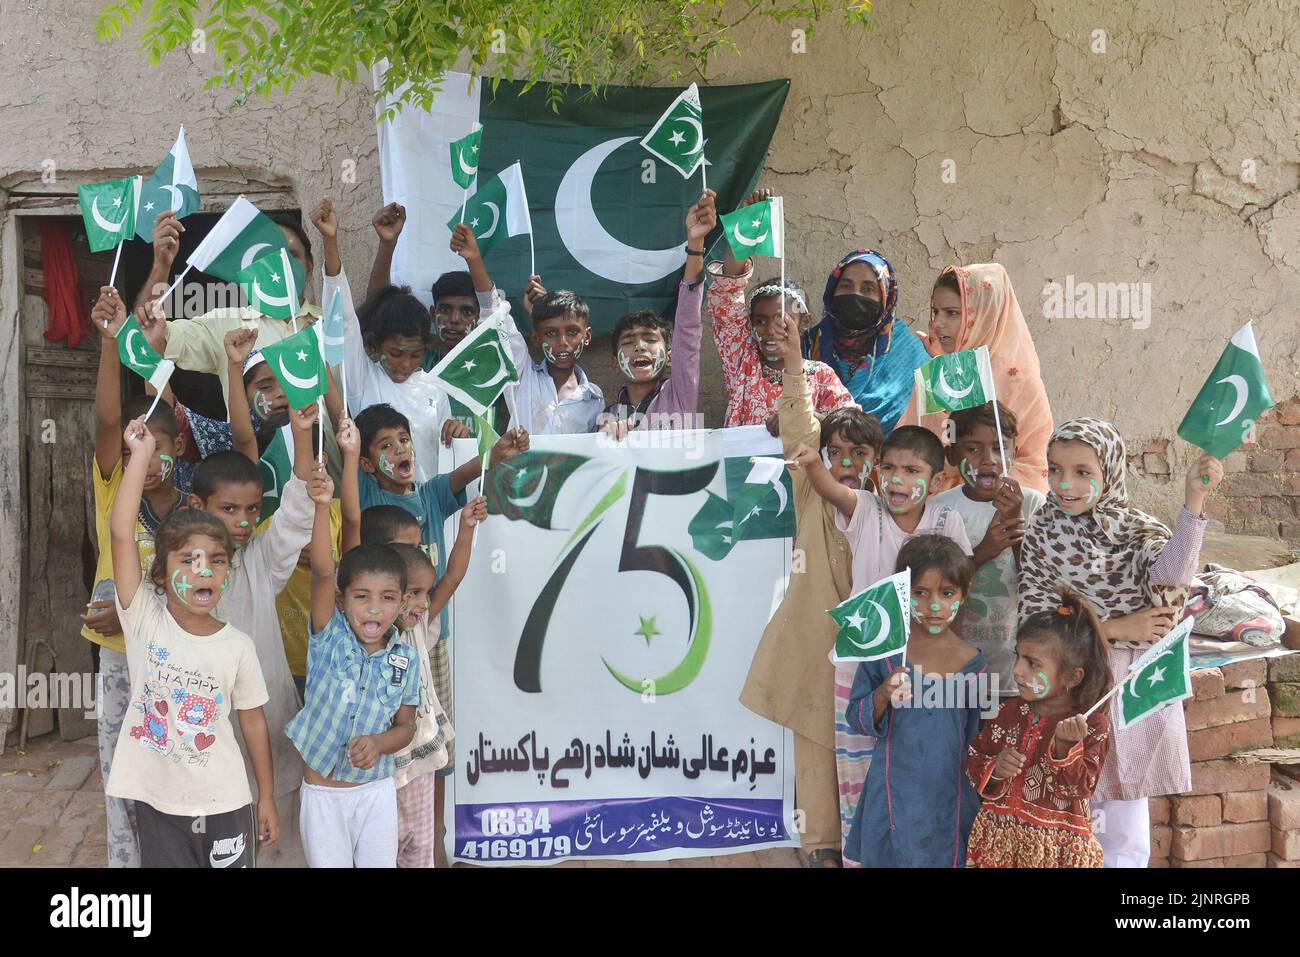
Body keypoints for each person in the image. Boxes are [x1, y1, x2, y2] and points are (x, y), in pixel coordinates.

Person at [1017, 418, 1223, 867]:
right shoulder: (1041, 534)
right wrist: (1113, 628)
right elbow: (1034, 622)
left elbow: (1171, 584)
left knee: (1123, 827)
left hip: (1123, 689)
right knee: (1064, 807)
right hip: (1066, 686)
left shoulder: (1136, 531)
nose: (1064, 484)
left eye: (1082, 472)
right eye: (1054, 470)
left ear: (1109, 471)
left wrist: (1194, 501)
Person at [740, 313, 882, 868]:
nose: (846, 464)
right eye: (836, 454)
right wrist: (795, 360)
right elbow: (799, 427)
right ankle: (822, 850)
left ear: (877, 464)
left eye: (860, 456)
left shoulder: (888, 511)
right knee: (817, 760)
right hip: (813, 659)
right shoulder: (811, 493)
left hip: (873, 664)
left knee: (869, 759)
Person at [789, 423, 972, 852]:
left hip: (921, 671)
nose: (898, 479)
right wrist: (815, 464)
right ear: (876, 471)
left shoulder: (948, 520)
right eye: (889, 467)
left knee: (909, 770)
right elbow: (834, 492)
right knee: (857, 773)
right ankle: (864, 858)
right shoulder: (866, 510)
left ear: (939, 481)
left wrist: (946, 662)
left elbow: (961, 587)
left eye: (912, 470)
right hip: (859, 668)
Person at [106, 416, 277, 868]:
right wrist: (140, 459)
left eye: (217, 561)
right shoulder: (145, 621)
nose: (205, 570)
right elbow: (121, 533)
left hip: (228, 801)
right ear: (160, 575)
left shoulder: (237, 646)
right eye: (189, 560)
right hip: (159, 805)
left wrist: (266, 797)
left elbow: (253, 723)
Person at [185, 402, 332, 867]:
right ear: (197, 508)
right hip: (206, 747)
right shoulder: (174, 578)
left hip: (272, 734)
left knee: (279, 848)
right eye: (229, 509)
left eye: (251, 509)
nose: (244, 521)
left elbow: (296, 509)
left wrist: (303, 433)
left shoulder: (260, 562)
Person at [84, 287, 188, 867]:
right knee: (121, 774)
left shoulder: (194, 503)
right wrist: (108, 345)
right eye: (132, 447)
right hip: (122, 657)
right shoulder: (113, 487)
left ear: (178, 449)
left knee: (175, 769)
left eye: (155, 446)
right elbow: (105, 417)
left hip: (178, 660)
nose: (143, 456)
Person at [286, 506, 420, 867]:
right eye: (362, 597)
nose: (374, 609)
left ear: (403, 602)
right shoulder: (329, 635)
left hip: (376, 793)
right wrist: (319, 505)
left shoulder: (407, 660)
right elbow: (322, 570)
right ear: (342, 601)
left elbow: (406, 727)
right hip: (324, 796)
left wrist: (379, 743)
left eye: (388, 598)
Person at [845, 535, 984, 867]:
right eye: (920, 593)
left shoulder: (973, 663)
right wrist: (882, 694)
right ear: (903, 593)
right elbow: (856, 716)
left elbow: (975, 739)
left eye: (946, 593)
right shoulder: (889, 652)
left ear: (964, 594)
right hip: (893, 794)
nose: (933, 606)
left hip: (949, 797)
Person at [318, 198, 471, 479]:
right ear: (375, 347)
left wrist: (458, 436)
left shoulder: (435, 392)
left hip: (427, 511)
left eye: (415, 354)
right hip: (379, 515)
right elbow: (345, 318)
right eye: (397, 353)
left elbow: (447, 461)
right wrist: (330, 241)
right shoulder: (363, 379)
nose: (405, 363)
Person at [966, 589, 1114, 867]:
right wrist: (995, 768)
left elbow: (1079, 790)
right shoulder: (1010, 711)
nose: (1018, 671)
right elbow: (975, 755)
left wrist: (1065, 749)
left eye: (1032, 663)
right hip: (997, 846)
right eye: (1018, 657)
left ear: (1072, 675)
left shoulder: (1092, 725)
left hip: (1054, 853)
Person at [353, 402, 526, 638]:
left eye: (404, 440)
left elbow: (465, 473)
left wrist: (496, 454)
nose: (400, 449)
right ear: (366, 464)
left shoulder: (431, 494)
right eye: (386, 445)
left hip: (430, 630)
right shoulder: (366, 495)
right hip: (380, 634)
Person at [706, 188, 854, 431]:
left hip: (801, 470)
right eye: (760, 321)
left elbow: (850, 428)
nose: (770, 330)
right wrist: (746, 230)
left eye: (780, 320)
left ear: (804, 322)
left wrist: (807, 418)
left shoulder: (820, 377)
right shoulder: (743, 363)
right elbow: (726, 295)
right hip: (743, 469)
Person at [899, 264, 1053, 493]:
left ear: (985, 316)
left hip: (1001, 511)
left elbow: (1034, 465)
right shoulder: (937, 372)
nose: (939, 323)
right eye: (936, 311)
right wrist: (947, 372)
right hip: (937, 513)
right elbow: (913, 450)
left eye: (952, 313)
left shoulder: (1018, 380)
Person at [388, 500, 483, 867]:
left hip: (420, 766)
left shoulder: (419, 627)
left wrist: (468, 527)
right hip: (381, 772)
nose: (422, 603)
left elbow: (453, 576)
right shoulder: (365, 639)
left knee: (419, 852)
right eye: (412, 593)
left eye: (424, 594)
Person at [933, 402, 1046, 697]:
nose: (989, 460)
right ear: (952, 455)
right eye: (972, 449)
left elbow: (1043, 587)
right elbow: (933, 589)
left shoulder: (1035, 505)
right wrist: (985, 550)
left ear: (1015, 452)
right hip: (955, 675)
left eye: (1000, 448)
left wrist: (1017, 527)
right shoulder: (938, 510)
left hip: (1015, 675)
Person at [598, 190, 715, 434]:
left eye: (650, 340)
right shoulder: (606, 417)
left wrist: (695, 246)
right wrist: (603, 440)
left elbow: (688, 329)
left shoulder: (679, 395)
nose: (640, 347)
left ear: (672, 357)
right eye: (629, 342)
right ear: (614, 363)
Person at [806, 248, 930, 436]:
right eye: (846, 286)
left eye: (868, 289)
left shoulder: (911, 354)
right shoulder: (807, 346)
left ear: (885, 297)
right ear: (833, 291)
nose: (855, 295)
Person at [509, 281, 605, 433]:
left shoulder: (594, 398)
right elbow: (494, 312)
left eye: (572, 332)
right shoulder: (524, 376)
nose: (562, 342)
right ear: (536, 339)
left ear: (587, 336)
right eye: (551, 333)